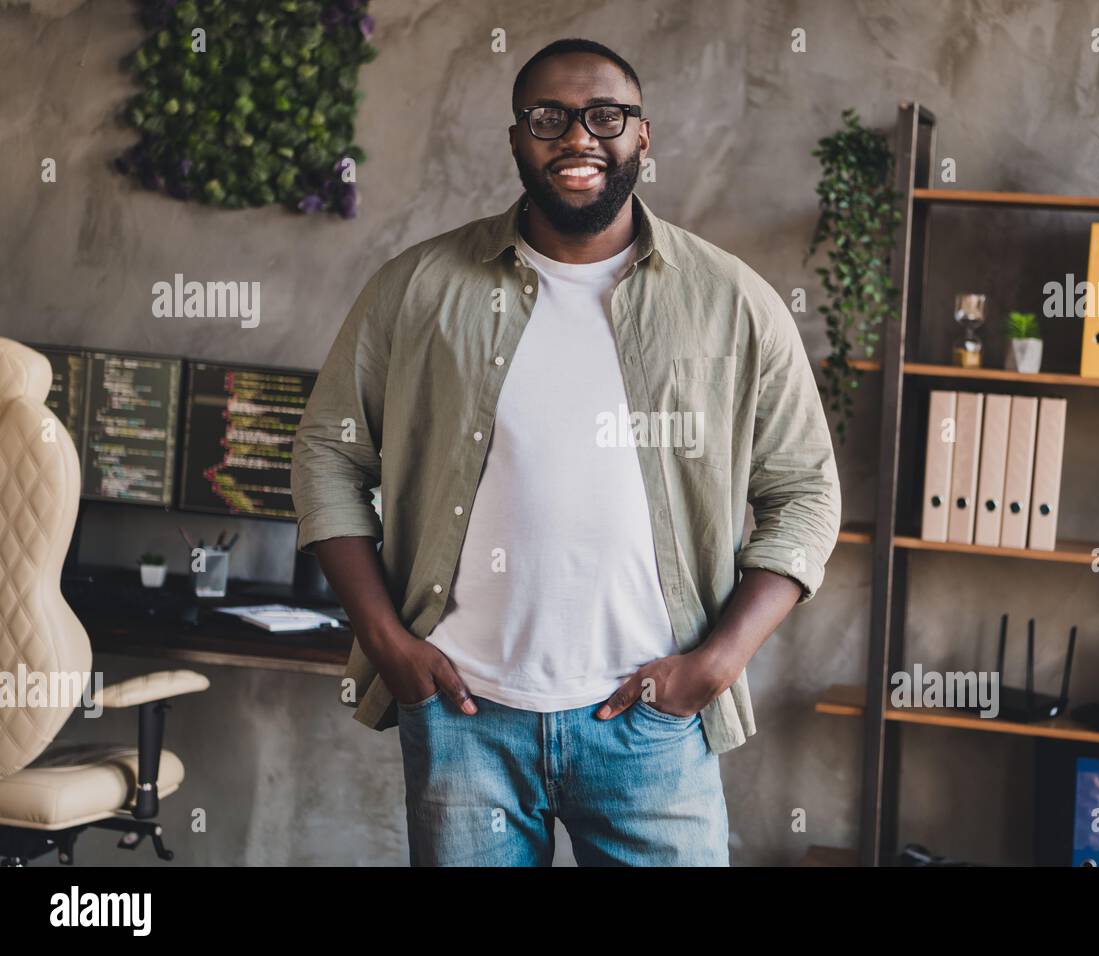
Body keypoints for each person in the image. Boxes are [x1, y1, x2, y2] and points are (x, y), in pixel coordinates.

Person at [291, 37, 841, 866]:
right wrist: (385, 640)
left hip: (653, 725)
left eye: (605, 117)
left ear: (642, 138)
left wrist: (716, 665)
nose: (578, 137)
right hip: (464, 720)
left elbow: (806, 490)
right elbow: (328, 455)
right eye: (549, 118)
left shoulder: (733, 302)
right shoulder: (418, 288)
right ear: (517, 139)